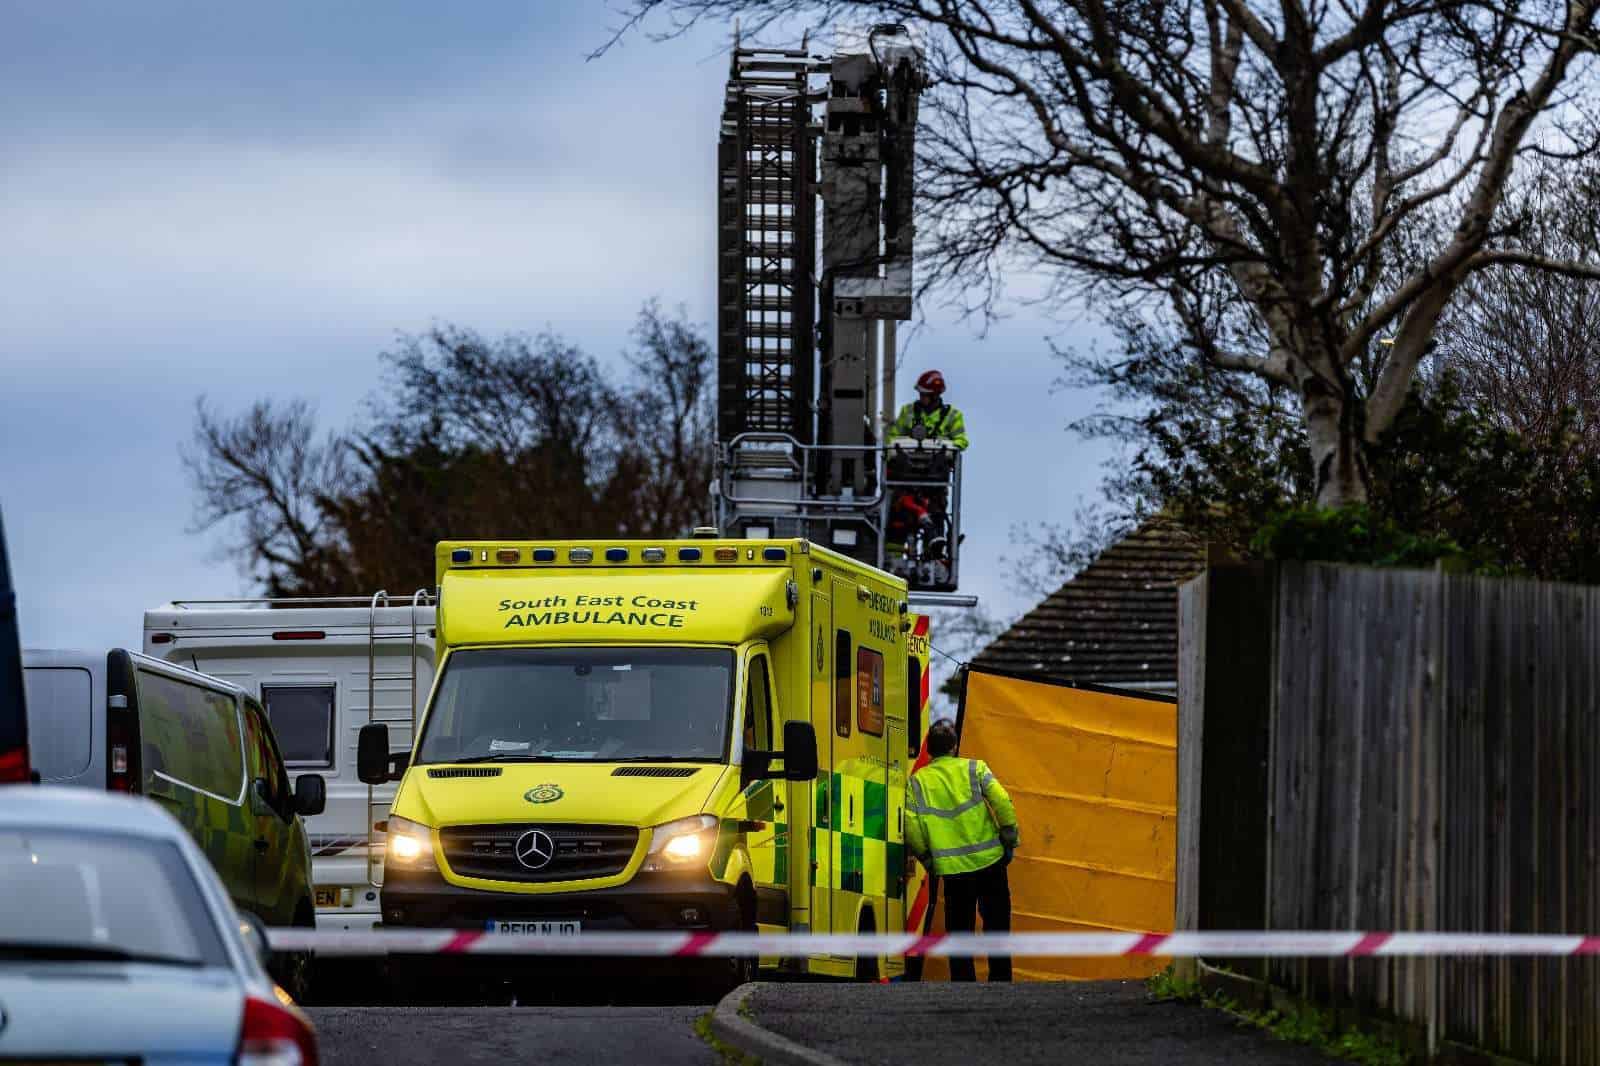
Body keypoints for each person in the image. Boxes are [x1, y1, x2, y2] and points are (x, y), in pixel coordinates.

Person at [905, 720, 1020, 982]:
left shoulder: (917, 783)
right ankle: (1001, 983)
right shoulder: (974, 768)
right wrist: (1009, 838)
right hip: (990, 862)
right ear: (955, 747)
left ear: (929, 750)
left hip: (953, 871)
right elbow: (1002, 801)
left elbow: (910, 826)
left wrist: (927, 859)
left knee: (959, 932)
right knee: (997, 925)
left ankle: (964, 990)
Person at [890, 370, 968, 450]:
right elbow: (893, 437)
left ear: (935, 396)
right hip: (906, 460)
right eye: (920, 394)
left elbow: (961, 441)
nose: (921, 397)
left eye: (924, 395)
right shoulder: (907, 411)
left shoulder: (953, 415)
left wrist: (945, 447)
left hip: (941, 461)